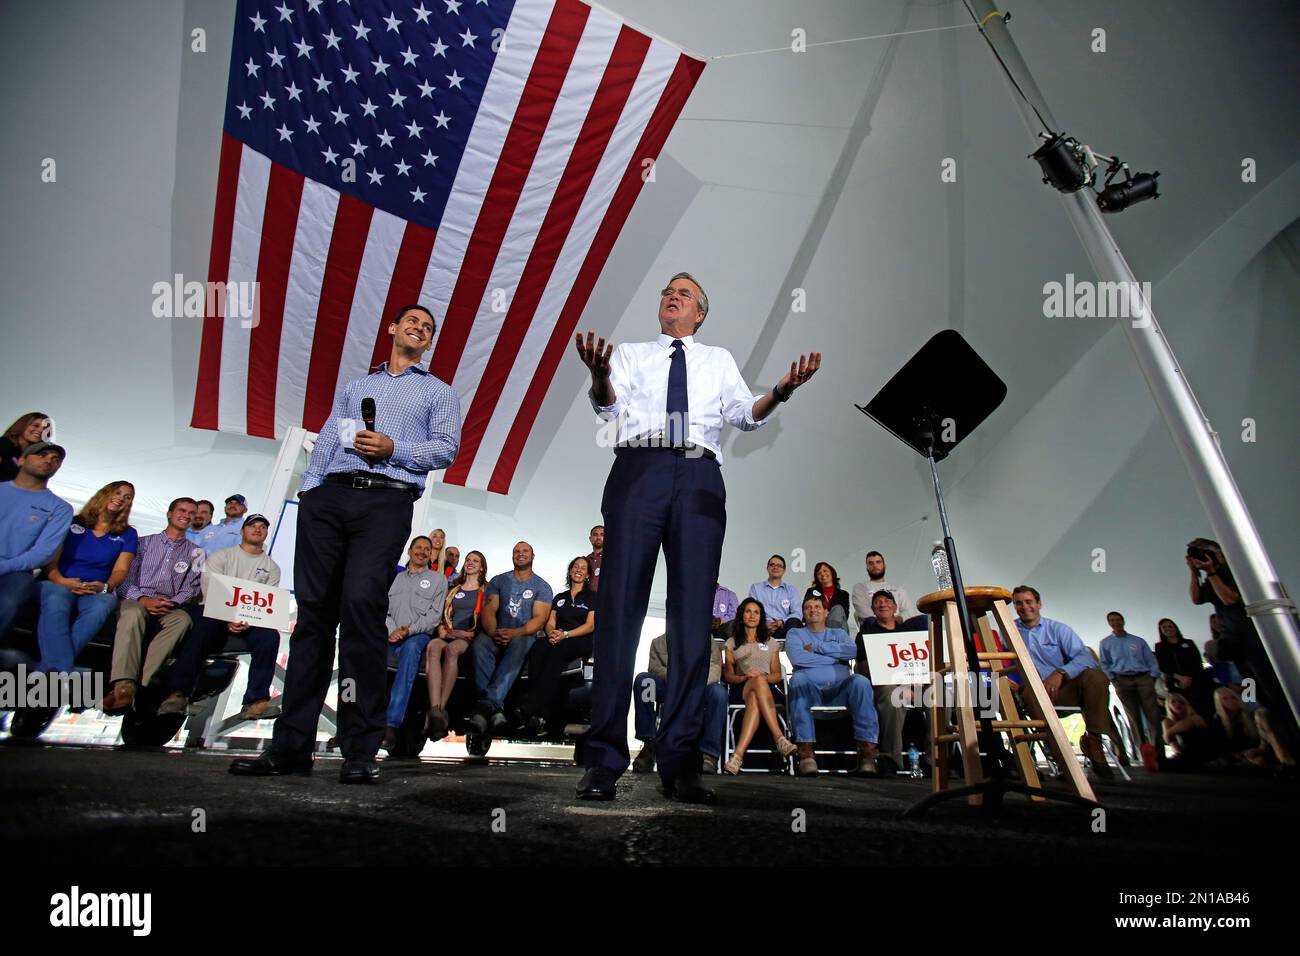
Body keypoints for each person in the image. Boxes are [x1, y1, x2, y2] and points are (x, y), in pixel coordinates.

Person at [574, 271, 819, 804]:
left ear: (700, 313)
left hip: (700, 478)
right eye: (666, 291)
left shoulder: (718, 360)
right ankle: (603, 760)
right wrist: (598, 375)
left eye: (683, 294)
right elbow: (608, 406)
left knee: (692, 623)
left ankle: (681, 761)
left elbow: (745, 416)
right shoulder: (633, 354)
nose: (671, 297)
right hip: (639, 471)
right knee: (618, 611)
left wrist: (780, 391)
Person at [229, 303, 461, 784]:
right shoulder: (357, 387)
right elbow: (336, 437)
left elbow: (446, 448)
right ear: (393, 329)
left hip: (387, 501)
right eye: (411, 321)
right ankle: (290, 745)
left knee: (360, 610)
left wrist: (395, 449)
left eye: (428, 327)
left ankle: (359, 747)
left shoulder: (438, 392)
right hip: (329, 499)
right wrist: (310, 489)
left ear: (430, 342)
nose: (419, 328)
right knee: (313, 617)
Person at [157, 514, 283, 720]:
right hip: (215, 613)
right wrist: (228, 617)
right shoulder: (221, 556)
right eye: (252, 526)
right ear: (242, 531)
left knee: (270, 637)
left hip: (248, 619)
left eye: (263, 527)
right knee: (202, 627)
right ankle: (178, 693)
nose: (258, 529)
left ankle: (256, 701)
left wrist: (246, 619)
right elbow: (210, 590)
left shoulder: (272, 568)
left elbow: (266, 602)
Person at [100, 498, 202, 714]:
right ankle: (124, 683)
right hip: (136, 599)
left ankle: (139, 684)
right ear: (169, 513)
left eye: (192, 513)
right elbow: (125, 578)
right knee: (133, 615)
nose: (187, 515)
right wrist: (143, 599)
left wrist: (173, 602)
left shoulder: (196, 553)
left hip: (169, 604)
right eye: (182, 510)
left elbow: (191, 588)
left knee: (183, 620)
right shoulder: (142, 543)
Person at [1009, 585, 1116, 779]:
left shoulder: (1058, 629)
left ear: (1039, 604)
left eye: (1029, 601)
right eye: (1018, 603)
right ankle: (1059, 755)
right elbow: (999, 660)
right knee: (1028, 694)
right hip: (1031, 692)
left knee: (1096, 677)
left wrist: (1061, 673)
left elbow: (1085, 658)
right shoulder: (1008, 631)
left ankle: (1093, 740)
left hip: (1062, 689)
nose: (1024, 607)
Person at [35, 481, 137, 676]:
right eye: (117, 492)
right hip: (59, 581)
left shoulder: (128, 534)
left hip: (95, 588)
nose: (121, 498)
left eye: (127, 497)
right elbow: (51, 561)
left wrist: (105, 586)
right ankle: (61, 670)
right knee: (55, 598)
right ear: (104, 494)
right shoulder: (73, 522)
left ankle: (48, 669)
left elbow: (121, 570)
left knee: (103, 604)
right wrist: (63, 581)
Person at [786, 595, 880, 776]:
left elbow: (851, 652)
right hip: (810, 691)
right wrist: (835, 655)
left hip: (840, 691)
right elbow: (798, 658)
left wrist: (817, 647)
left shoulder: (839, 633)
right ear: (803, 613)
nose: (813, 610)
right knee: (797, 679)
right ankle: (806, 755)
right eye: (808, 607)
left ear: (826, 612)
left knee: (860, 681)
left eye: (817, 606)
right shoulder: (795, 634)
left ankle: (867, 754)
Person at [470, 541, 552, 740]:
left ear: (533, 556)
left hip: (523, 635)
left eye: (525, 551)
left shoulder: (542, 586)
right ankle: (495, 711)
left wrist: (515, 633)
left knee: (519, 645)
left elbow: (539, 620)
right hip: (497, 633)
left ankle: (486, 706)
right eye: (516, 551)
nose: (520, 554)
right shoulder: (499, 581)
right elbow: (489, 610)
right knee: (480, 645)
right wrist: (492, 631)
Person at [516, 556, 597, 737]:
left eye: (583, 568)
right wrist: (553, 633)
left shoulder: (592, 597)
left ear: (587, 575)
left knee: (558, 650)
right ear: (570, 571)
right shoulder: (560, 597)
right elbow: (550, 621)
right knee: (538, 647)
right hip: (558, 636)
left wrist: (565, 635)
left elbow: (590, 625)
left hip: (579, 639)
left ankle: (530, 707)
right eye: (575, 566)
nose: (578, 569)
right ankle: (540, 713)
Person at [0, 441, 73, 641]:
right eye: (42, 455)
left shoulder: (60, 508)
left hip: (16, 572)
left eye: (55, 459)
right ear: (22, 459)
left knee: (8, 600)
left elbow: (43, 553)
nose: (49, 460)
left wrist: (3, 567)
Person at [379, 536, 447, 751]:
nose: (422, 551)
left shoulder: (438, 580)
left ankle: (391, 725)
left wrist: (408, 630)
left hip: (417, 635)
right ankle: (356, 724)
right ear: (409, 551)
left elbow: (434, 616)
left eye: (427, 549)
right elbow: (385, 609)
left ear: (431, 554)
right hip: (391, 633)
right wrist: (392, 631)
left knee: (409, 654)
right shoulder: (396, 578)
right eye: (418, 547)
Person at [631, 633, 728, 775]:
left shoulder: (706, 639)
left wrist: (696, 681)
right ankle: (649, 742)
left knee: (719, 693)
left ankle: (709, 754)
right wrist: (678, 677)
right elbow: (654, 668)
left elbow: (715, 667)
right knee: (645, 682)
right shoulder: (658, 642)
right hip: (670, 688)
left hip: (699, 687)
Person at [855, 590, 928, 773]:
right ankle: (890, 758)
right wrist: (900, 683)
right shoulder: (866, 635)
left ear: (895, 607)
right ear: (872, 609)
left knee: (943, 694)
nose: (882, 604)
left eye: (887, 601)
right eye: (877, 602)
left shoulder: (911, 632)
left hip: (916, 684)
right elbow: (863, 668)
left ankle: (936, 758)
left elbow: (924, 662)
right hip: (885, 685)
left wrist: (913, 683)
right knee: (893, 696)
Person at [722, 597, 796, 774]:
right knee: (755, 684)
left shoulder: (771, 643)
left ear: (761, 616)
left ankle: (737, 756)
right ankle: (779, 738)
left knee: (758, 690)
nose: (752, 615)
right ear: (742, 616)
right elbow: (728, 675)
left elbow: (777, 675)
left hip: (767, 688)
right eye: (748, 611)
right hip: (742, 686)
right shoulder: (731, 643)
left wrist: (762, 677)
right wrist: (744, 676)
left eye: (756, 612)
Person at [423, 549, 486, 740]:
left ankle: (441, 708)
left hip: (468, 637)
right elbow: (443, 616)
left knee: (451, 651)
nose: (470, 563)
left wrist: (470, 634)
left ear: (482, 567)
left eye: (475, 561)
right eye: (468, 560)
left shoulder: (486, 590)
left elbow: (487, 619)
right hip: (449, 633)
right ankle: (436, 710)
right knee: (433, 646)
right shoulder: (454, 588)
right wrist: (443, 630)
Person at [1098, 611, 1163, 768]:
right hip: (1122, 680)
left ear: (1123, 621)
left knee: (1152, 715)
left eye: (1118, 620)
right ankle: (1143, 754)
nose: (1116, 622)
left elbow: (1150, 659)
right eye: (1112, 620)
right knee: (1133, 717)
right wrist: (1113, 678)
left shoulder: (1138, 641)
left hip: (1143, 678)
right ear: (1109, 623)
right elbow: (1104, 663)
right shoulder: (1106, 643)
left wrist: (1152, 676)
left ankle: (1159, 754)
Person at [1155, 618, 1213, 718]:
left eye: (1170, 626)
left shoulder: (1189, 643)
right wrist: (1180, 678)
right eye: (1164, 627)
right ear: (1161, 630)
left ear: (1175, 627)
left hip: (1196, 680)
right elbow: (1163, 666)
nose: (1168, 628)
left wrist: (1189, 678)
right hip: (1175, 683)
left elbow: (1197, 662)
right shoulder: (1160, 647)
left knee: (1203, 709)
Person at [851, 550, 917, 629]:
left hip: (898, 624)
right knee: (870, 621)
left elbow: (911, 611)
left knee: (923, 619)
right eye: (871, 563)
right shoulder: (860, 588)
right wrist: (886, 621)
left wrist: (897, 619)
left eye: (878, 562)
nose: (875, 566)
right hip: (874, 627)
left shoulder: (897, 588)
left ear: (884, 566)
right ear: (867, 568)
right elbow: (864, 613)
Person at [749, 555, 803, 642]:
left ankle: (793, 653)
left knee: (794, 621)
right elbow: (751, 610)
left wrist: (781, 622)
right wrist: (764, 625)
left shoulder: (791, 590)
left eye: (779, 565)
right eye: (772, 565)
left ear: (784, 570)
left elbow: (797, 613)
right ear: (767, 568)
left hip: (784, 628)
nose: (775, 567)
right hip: (762, 629)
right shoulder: (756, 588)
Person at [1161, 691, 1213, 770]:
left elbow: (1168, 734)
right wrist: (1177, 751)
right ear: (1168, 705)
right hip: (1185, 752)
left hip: (1202, 749)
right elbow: (1169, 740)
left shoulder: (1196, 718)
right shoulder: (1167, 721)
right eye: (1173, 702)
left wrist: (1169, 732)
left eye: (1181, 702)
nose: (1177, 704)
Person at [0, 412, 51, 483]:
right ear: (22, 426)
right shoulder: (3, 444)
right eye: (36, 426)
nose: (41, 431)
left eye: (45, 429)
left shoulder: (32, 457)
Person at [804, 561, 850, 632]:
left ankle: (831, 639)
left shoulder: (843, 594)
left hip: (837, 628)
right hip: (816, 626)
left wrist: (828, 616)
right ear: (817, 577)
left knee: (838, 609)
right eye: (819, 573)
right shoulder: (811, 591)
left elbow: (844, 615)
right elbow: (806, 610)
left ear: (832, 573)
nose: (822, 574)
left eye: (825, 571)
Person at [585, 525, 604, 593]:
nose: (598, 537)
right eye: (595, 535)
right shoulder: (586, 560)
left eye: (602, 535)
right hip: (589, 600)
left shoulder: (612, 558)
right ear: (590, 538)